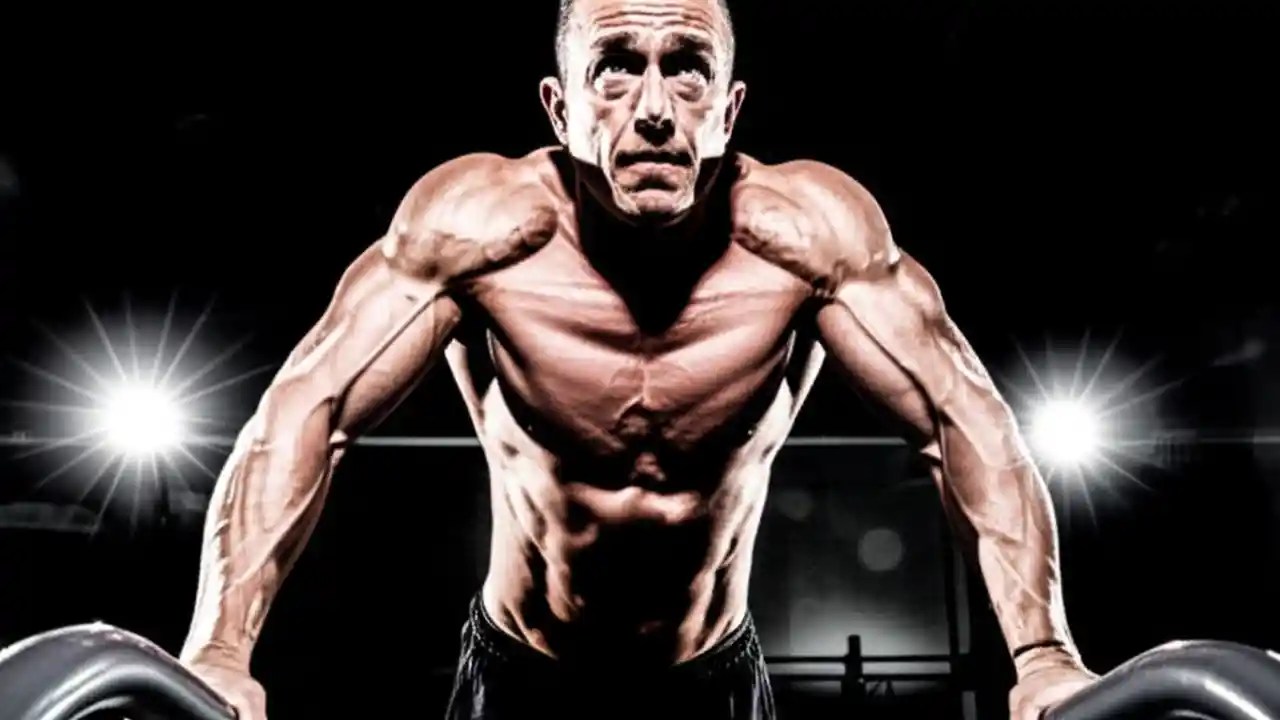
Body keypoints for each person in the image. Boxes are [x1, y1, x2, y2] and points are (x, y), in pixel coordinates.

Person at [178, 0, 1097, 717]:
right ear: (560, 103)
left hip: (714, 679)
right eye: (615, 69)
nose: (654, 108)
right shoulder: (478, 229)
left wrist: (1044, 656)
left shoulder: (809, 239)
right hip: (521, 675)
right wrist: (220, 645)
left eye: (687, 72)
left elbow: (964, 420)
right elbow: (306, 411)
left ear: (729, 108)